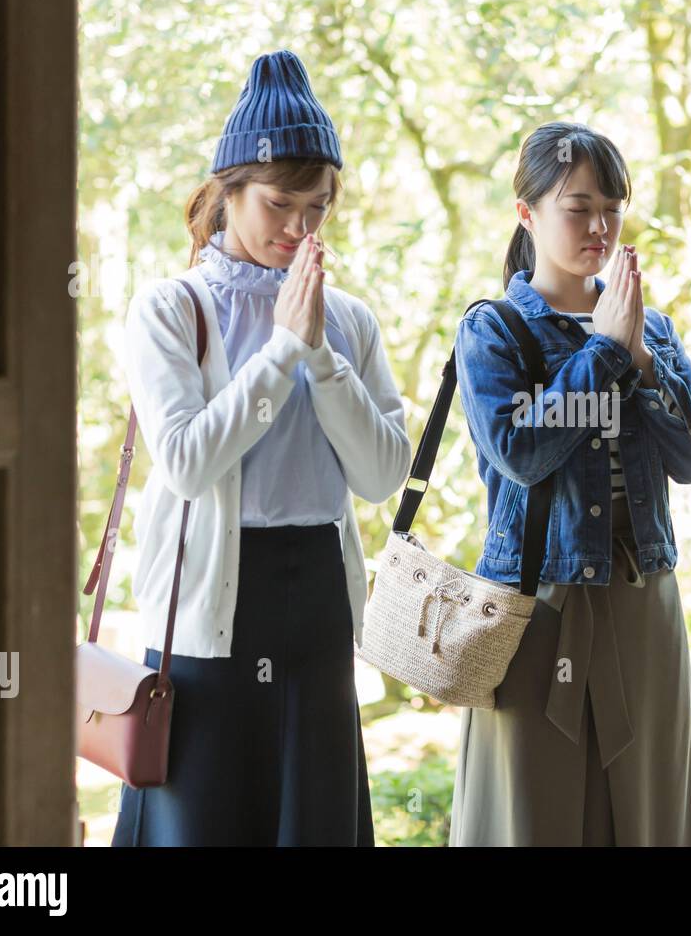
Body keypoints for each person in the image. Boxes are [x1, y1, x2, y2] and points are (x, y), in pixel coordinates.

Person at [111, 49, 409, 845]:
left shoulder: (346, 321)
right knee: (203, 823)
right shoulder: (172, 311)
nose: (299, 228)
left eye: (317, 209)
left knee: (311, 825)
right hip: (211, 600)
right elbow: (186, 460)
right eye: (280, 204)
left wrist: (317, 352)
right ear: (227, 191)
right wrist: (280, 351)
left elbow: (383, 476)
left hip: (314, 599)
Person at [448, 121, 691, 845]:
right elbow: (521, 450)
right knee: (533, 814)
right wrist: (602, 353)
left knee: (651, 810)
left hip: (645, 605)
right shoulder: (495, 330)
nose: (600, 226)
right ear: (528, 213)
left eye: (613, 207)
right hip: (538, 609)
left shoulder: (652, 329)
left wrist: (642, 364)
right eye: (578, 207)